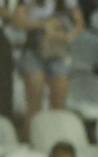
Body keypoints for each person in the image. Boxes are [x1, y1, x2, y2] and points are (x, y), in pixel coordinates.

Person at [13, 0, 83, 138]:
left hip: (59, 50)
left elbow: (79, 24)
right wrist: (42, 24)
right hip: (34, 48)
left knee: (58, 106)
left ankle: (54, 141)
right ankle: (30, 143)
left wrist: (69, 35)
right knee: (34, 106)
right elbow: (18, 21)